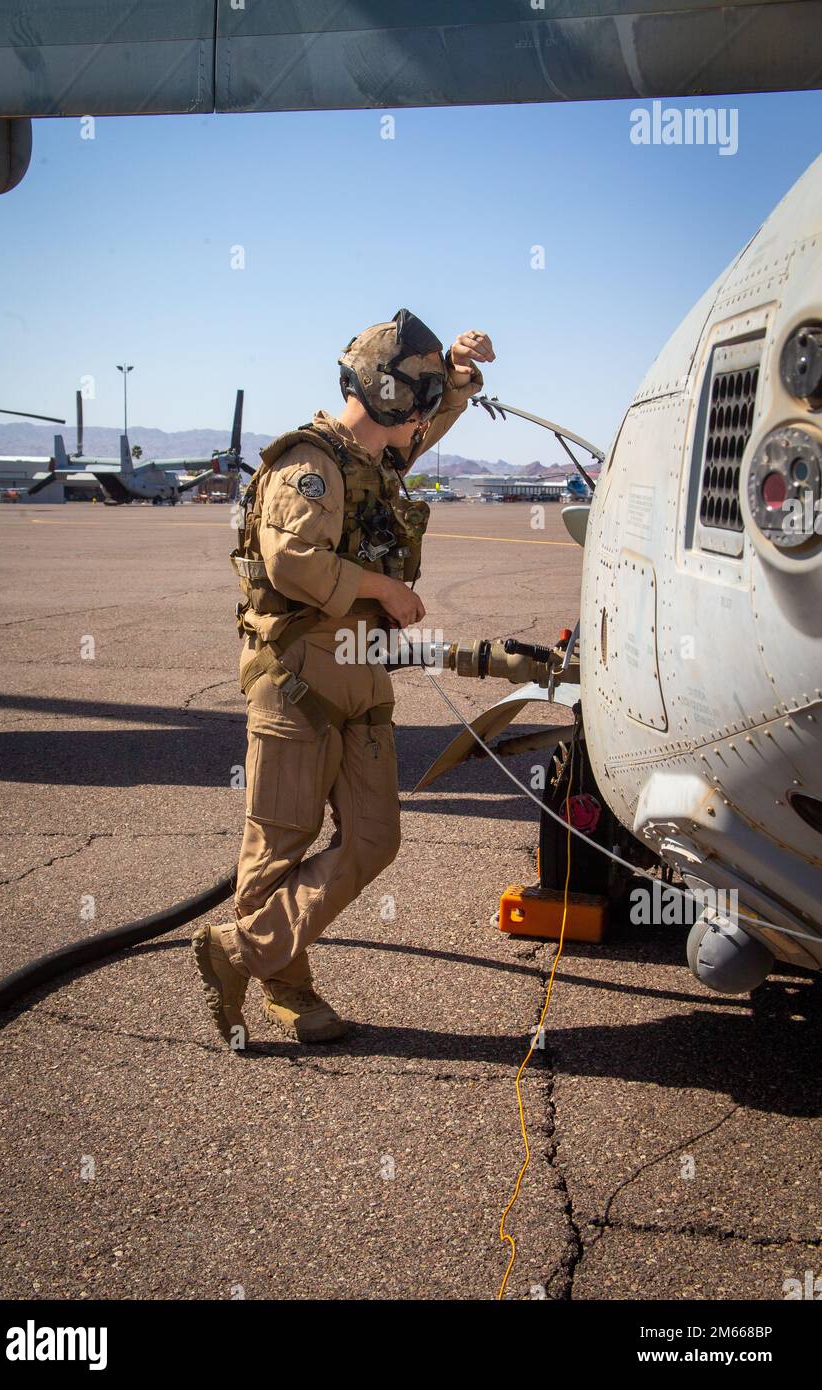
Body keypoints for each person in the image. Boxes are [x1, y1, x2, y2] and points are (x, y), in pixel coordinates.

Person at [192, 309, 495, 1047]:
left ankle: (240, 950)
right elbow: (290, 562)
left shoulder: (374, 463)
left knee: (374, 838)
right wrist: (384, 589)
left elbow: (430, 423)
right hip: (298, 676)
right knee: (280, 841)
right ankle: (286, 985)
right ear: (394, 403)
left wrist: (454, 373)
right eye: (420, 408)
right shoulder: (311, 464)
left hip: (359, 671)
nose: (426, 427)